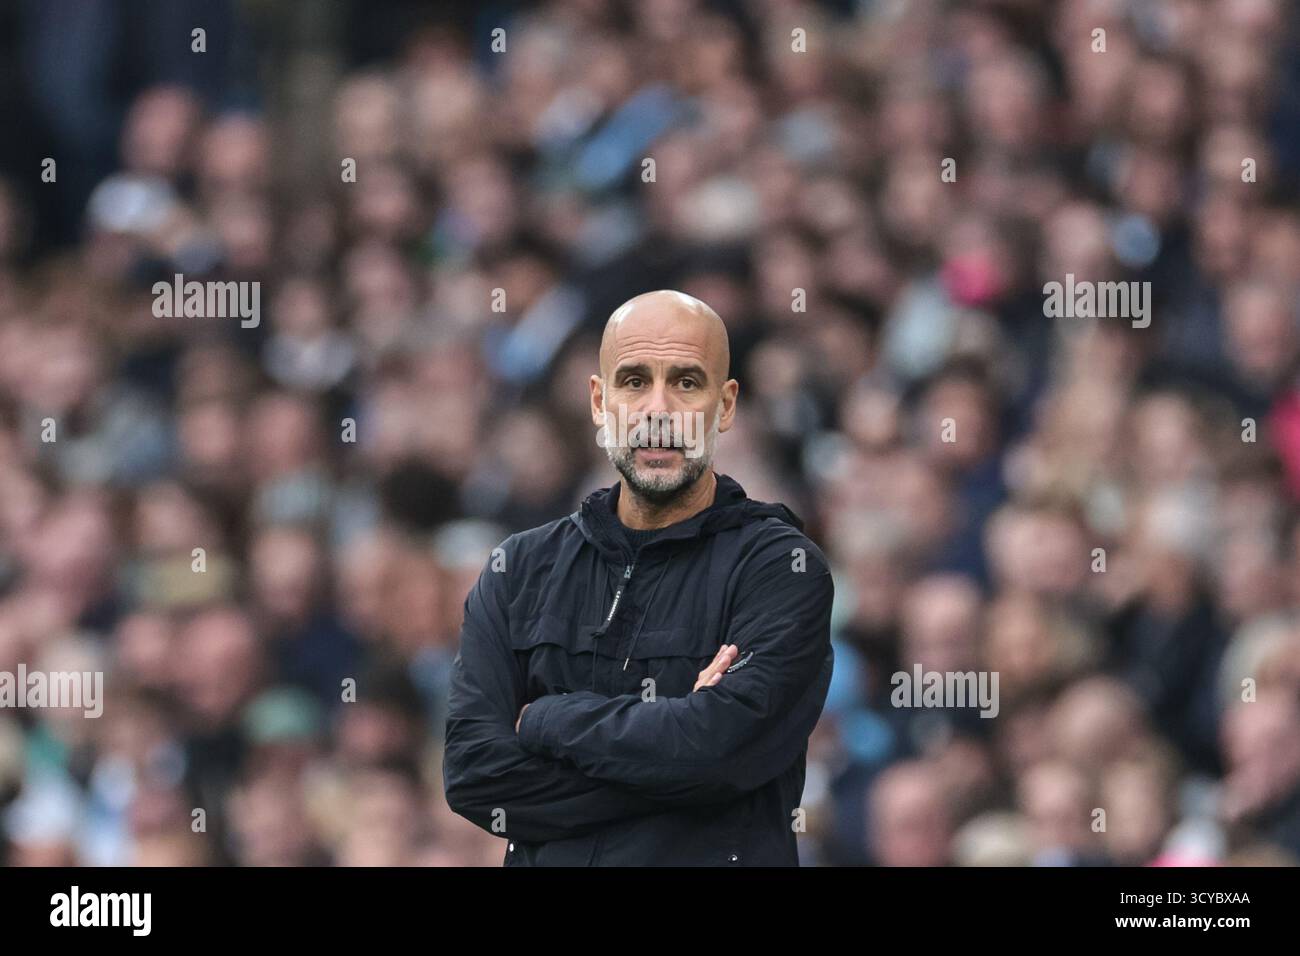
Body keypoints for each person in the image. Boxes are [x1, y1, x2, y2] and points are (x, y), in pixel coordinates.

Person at [443, 290, 835, 865]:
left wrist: (549, 718)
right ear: (600, 402)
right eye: (633, 381)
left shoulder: (781, 571)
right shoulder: (519, 569)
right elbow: (474, 773)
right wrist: (678, 763)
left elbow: (716, 752)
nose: (658, 410)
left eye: (685, 382)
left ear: (725, 406)